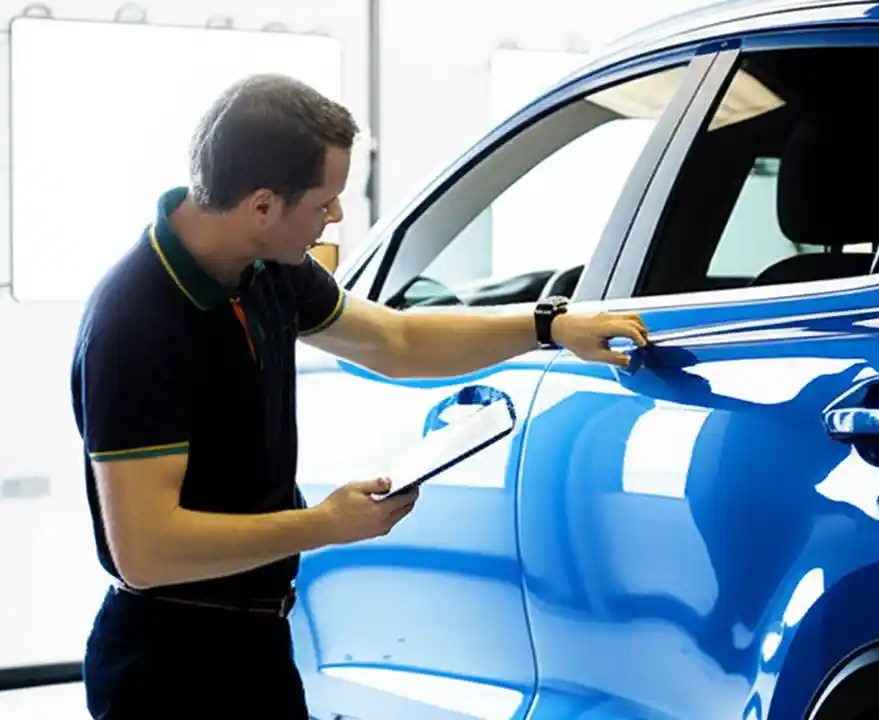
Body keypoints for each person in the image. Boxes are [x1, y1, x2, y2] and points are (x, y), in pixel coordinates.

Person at [71, 73, 648, 719]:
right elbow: (147, 551)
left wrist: (548, 326)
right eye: (325, 201)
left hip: (254, 641)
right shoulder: (137, 320)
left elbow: (394, 340)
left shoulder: (269, 270)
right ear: (262, 205)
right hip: (168, 668)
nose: (337, 216)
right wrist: (325, 525)